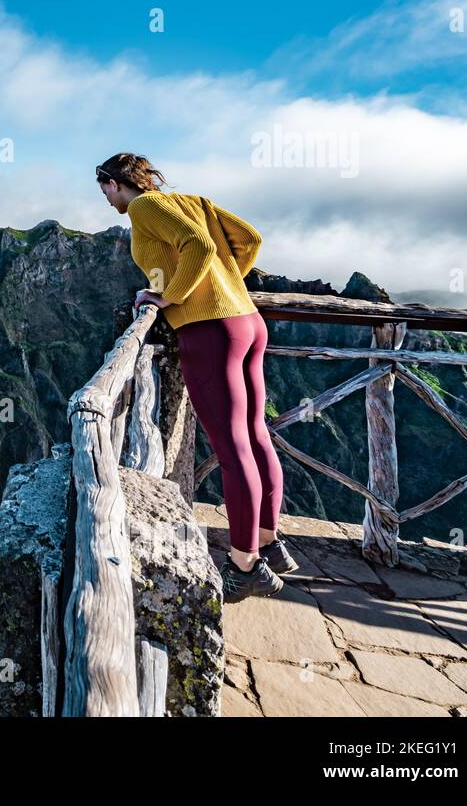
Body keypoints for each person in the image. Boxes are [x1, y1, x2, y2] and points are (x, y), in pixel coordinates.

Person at [95, 152, 296, 603]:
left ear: (115, 182)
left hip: (210, 333)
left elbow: (199, 248)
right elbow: (250, 240)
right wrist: (226, 285)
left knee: (232, 449)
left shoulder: (145, 207)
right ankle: (268, 540)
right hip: (247, 321)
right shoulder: (195, 202)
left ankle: (245, 565)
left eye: (104, 189)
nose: (106, 199)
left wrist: (171, 297)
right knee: (256, 435)